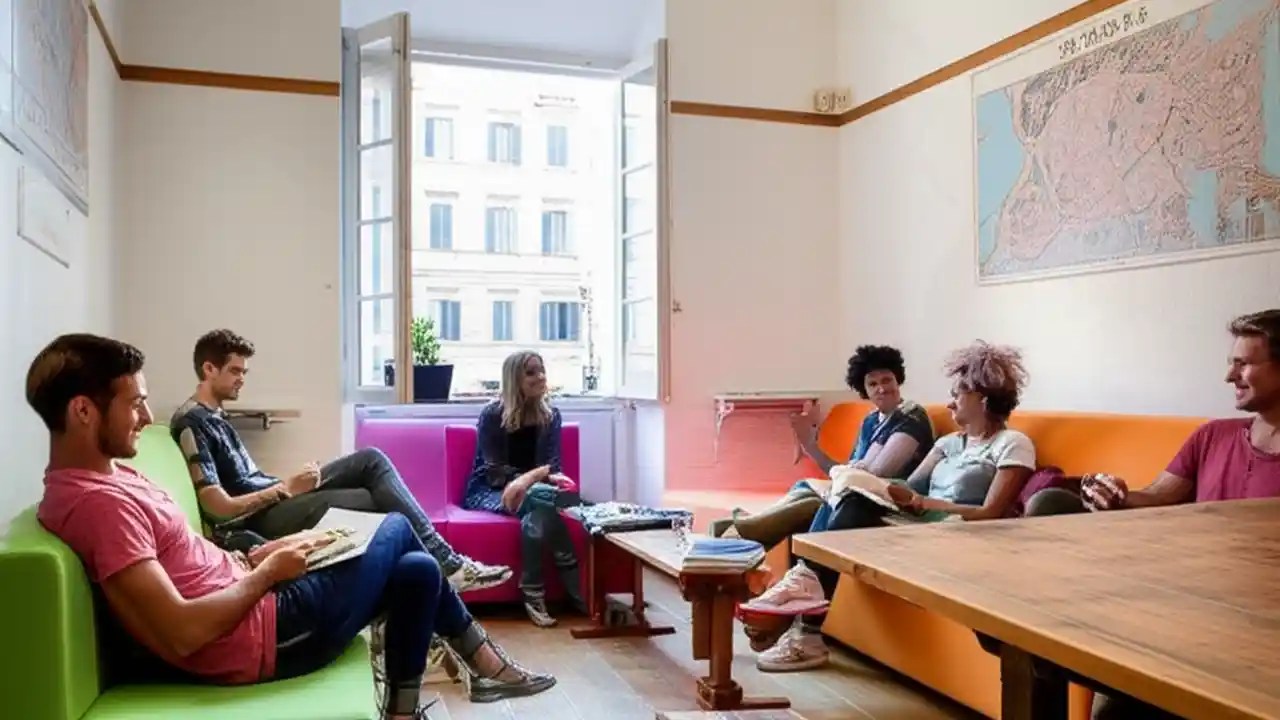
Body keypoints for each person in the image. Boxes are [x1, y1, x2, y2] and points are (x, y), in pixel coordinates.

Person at [27, 334, 556, 720]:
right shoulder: (99, 506)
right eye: (135, 403)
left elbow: (188, 566)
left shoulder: (112, 479)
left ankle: (405, 711)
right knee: (395, 528)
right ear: (83, 411)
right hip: (265, 634)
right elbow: (182, 631)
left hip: (258, 598)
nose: (146, 416)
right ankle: (485, 660)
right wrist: (266, 575)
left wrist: (252, 558)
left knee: (415, 569)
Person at [998, 309, 1280, 719]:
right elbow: (1157, 497)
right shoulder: (1212, 435)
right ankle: (1044, 635)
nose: (1229, 376)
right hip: (1181, 603)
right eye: (1230, 363)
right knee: (1052, 505)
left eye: (1244, 363)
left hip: (1250, 622)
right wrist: (1115, 496)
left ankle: (1055, 646)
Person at [746, 340, 1036, 672]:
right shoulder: (947, 443)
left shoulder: (1013, 444)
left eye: (957, 394)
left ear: (982, 400)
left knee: (846, 498)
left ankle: (800, 602)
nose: (950, 401)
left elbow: (990, 513)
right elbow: (909, 487)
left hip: (956, 529)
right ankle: (804, 615)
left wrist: (922, 501)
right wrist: (884, 491)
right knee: (851, 495)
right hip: (919, 521)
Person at [170, 329, 511, 594]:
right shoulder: (192, 422)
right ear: (208, 368)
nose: (242, 378)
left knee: (377, 498)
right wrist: (285, 488)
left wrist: (287, 485)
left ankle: (431, 584)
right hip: (256, 521)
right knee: (372, 461)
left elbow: (244, 481)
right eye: (234, 371)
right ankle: (447, 566)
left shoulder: (215, 414)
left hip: (272, 501)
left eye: (244, 371)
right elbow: (216, 506)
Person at [710, 345, 935, 548]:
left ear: (898, 380)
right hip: (857, 495)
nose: (881, 389)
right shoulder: (870, 421)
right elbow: (847, 474)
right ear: (864, 390)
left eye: (887, 380)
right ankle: (741, 532)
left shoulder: (911, 417)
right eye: (873, 384)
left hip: (886, 501)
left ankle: (739, 532)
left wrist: (839, 465)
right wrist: (810, 445)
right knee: (805, 489)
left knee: (812, 504)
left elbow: (877, 475)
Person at [461, 351, 584, 628]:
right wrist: (529, 481)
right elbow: (494, 472)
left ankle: (533, 591)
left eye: (541, 370)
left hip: (535, 491)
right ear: (514, 378)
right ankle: (576, 591)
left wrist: (526, 480)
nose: (540, 377)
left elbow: (553, 467)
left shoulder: (551, 415)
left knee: (540, 502)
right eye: (531, 372)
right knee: (542, 499)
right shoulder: (493, 414)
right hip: (489, 491)